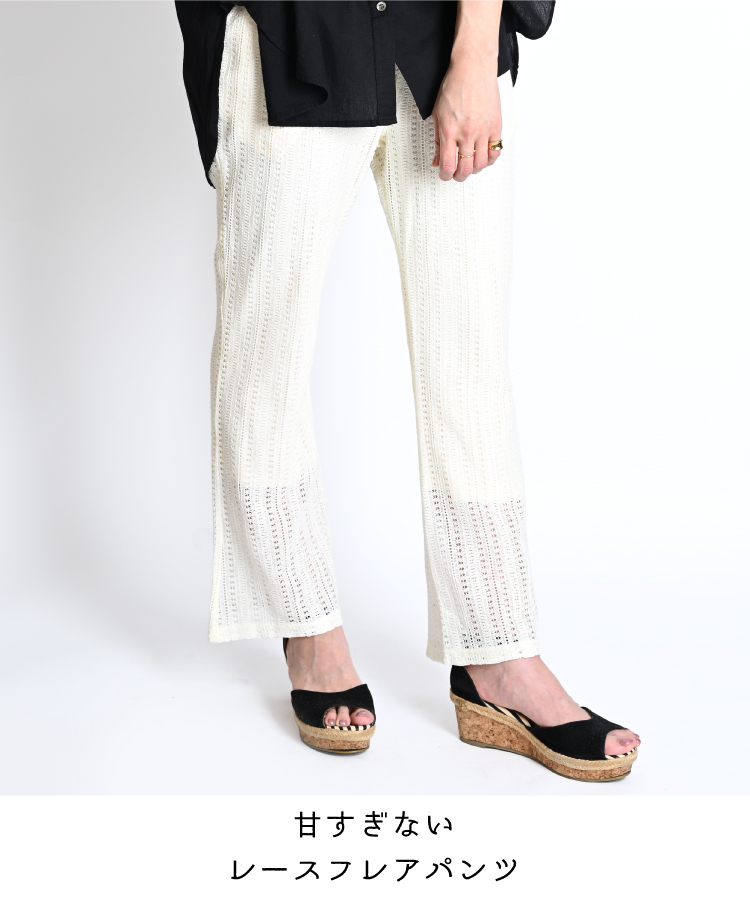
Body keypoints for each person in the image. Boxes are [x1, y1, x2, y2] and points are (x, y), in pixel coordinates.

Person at [175, 0, 641, 780]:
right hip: (293, 31)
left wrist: (474, 54)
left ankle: (499, 652)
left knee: (471, 359)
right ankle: (306, 623)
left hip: (443, 33)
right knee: (267, 352)